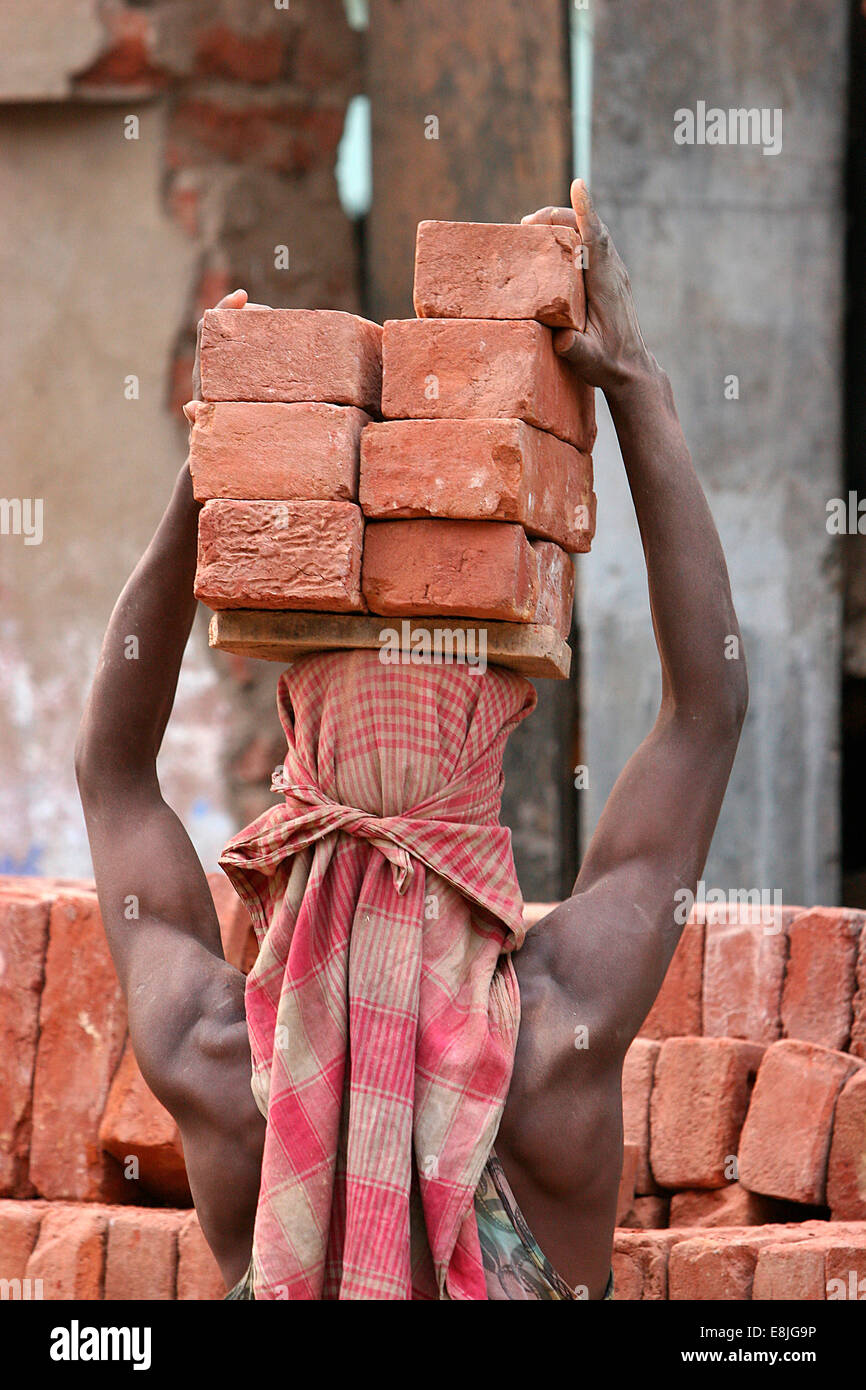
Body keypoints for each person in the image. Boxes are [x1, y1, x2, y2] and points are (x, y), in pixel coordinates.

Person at [75, 181, 747, 1301]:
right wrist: (635, 384)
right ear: (485, 774)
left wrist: (232, 461)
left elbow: (112, 772)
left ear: (295, 772)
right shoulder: (559, 1032)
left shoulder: (211, 1051)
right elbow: (706, 713)